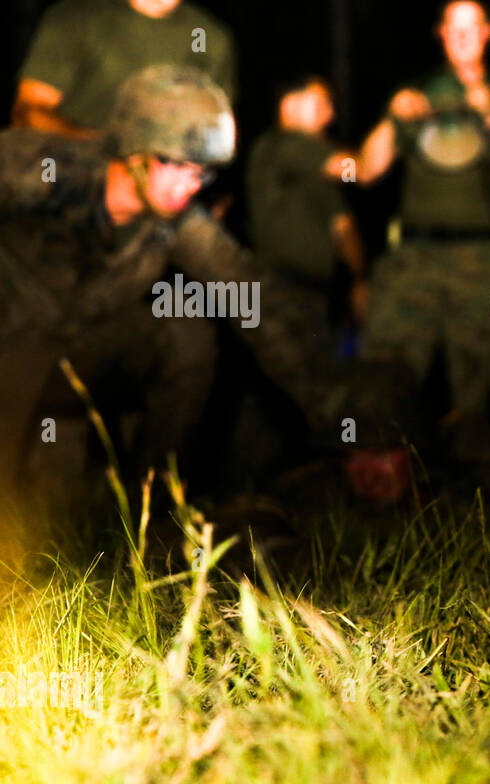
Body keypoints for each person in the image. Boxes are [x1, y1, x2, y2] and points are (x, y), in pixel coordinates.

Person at [0, 65, 330, 506]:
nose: (190, 186)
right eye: (179, 168)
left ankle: (152, 509)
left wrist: (335, 416)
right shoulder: (44, 172)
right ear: (136, 156)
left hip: (72, 361)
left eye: (202, 173)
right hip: (10, 354)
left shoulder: (176, 222)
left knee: (184, 331)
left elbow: (256, 302)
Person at [355, 0, 490, 430]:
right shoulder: (417, 95)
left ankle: (477, 485)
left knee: (478, 384)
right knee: (385, 377)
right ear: (439, 33)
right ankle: (381, 482)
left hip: (481, 261)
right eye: (453, 25)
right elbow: (366, 172)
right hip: (412, 256)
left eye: (473, 25)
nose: (463, 34)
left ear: (489, 33)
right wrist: (391, 117)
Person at [246, 74, 366, 343]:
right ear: (290, 105)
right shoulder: (281, 145)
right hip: (278, 288)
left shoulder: (314, 167)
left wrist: (359, 279)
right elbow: (356, 171)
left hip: (317, 294)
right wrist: (377, 152)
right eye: (322, 104)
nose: (330, 116)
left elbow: (342, 224)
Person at [11, 0, 236, 138]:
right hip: (69, 173)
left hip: (164, 185)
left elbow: (219, 134)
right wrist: (105, 148)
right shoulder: (76, 17)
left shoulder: (210, 38)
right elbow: (27, 113)